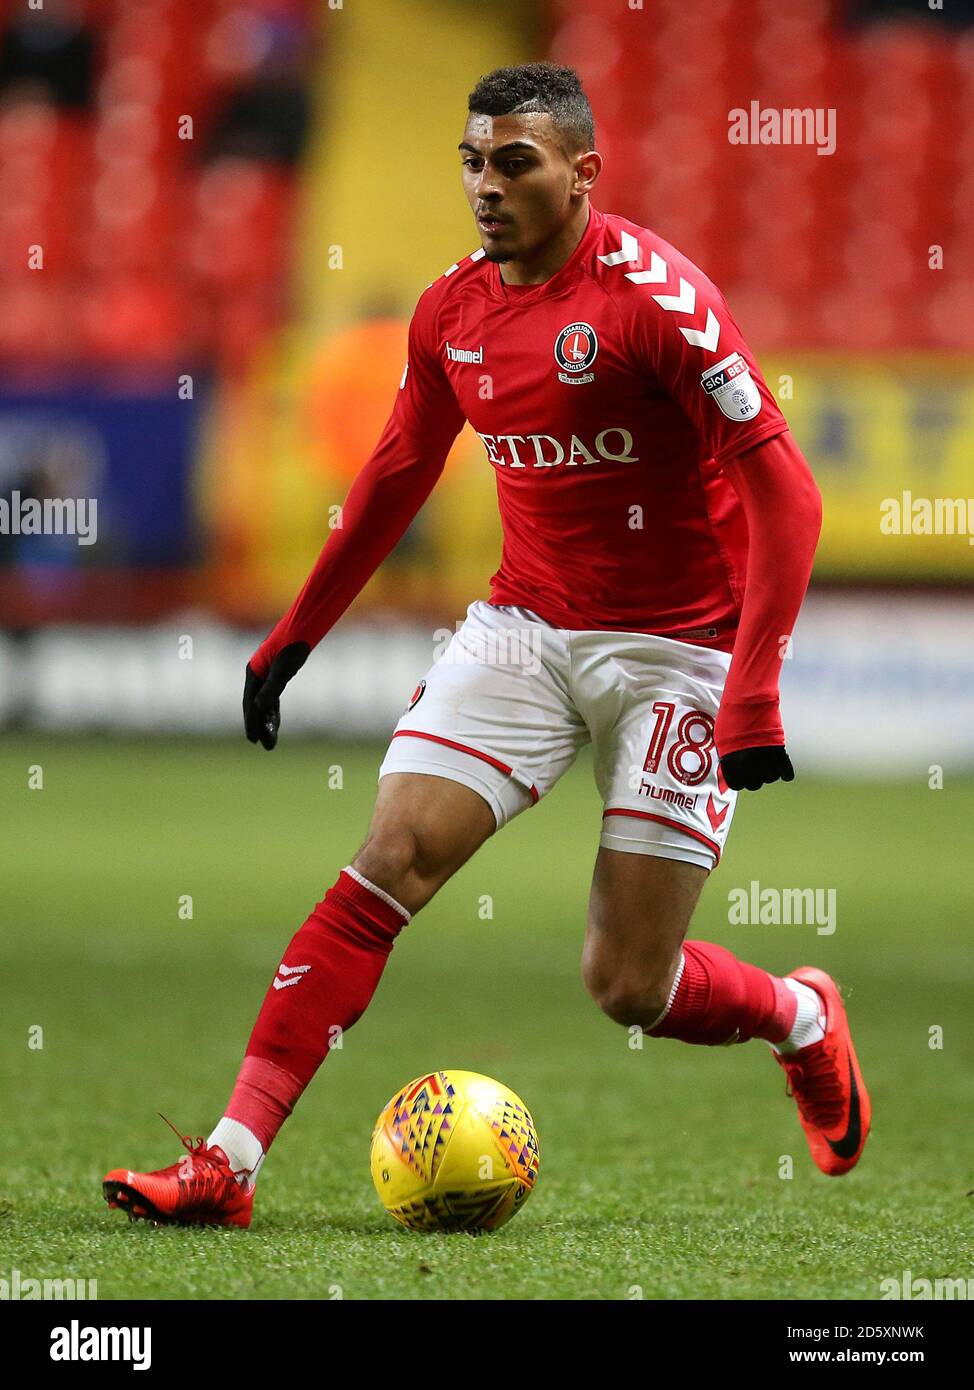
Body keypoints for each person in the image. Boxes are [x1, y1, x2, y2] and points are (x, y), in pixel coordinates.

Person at [103, 62, 869, 1229]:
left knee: (626, 985)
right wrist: (292, 636)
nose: (485, 185)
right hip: (523, 630)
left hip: (676, 653)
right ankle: (227, 1162)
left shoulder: (654, 300)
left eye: (513, 162)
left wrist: (754, 692)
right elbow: (395, 472)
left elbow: (787, 494)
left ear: (580, 172)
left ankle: (799, 1017)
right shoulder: (452, 308)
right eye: (471, 160)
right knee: (388, 858)